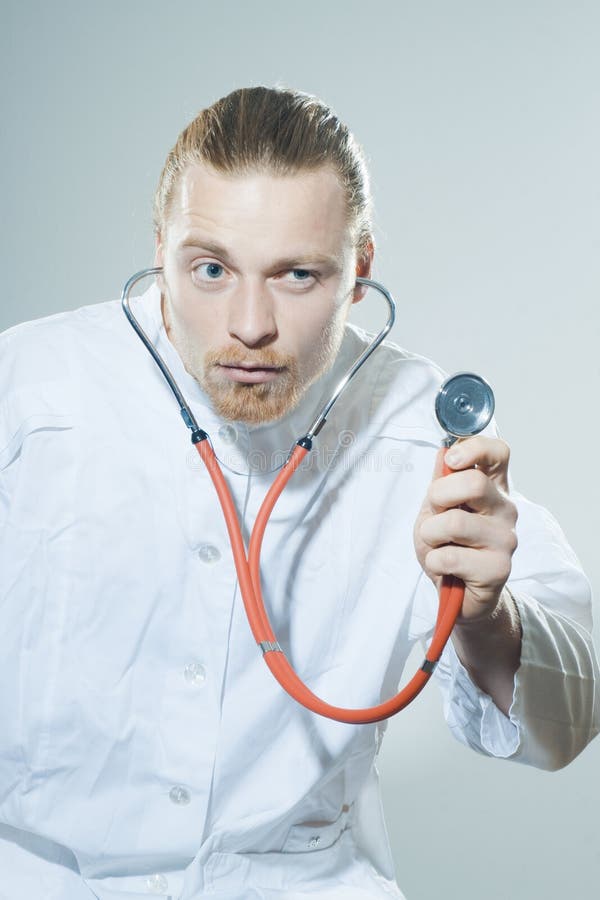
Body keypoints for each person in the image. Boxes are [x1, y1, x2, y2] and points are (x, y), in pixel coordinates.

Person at [0, 86, 597, 900]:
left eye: (296, 275)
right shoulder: (29, 390)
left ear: (359, 273)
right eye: (209, 269)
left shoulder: (423, 432)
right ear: (161, 250)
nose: (249, 324)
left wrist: (490, 615)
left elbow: (565, 725)